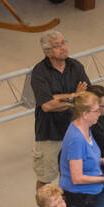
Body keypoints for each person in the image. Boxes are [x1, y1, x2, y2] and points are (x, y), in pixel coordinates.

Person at [30, 30, 90, 190]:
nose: (63, 47)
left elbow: (86, 96)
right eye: (57, 45)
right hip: (49, 134)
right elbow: (47, 105)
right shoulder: (39, 73)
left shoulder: (75, 66)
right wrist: (74, 96)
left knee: (71, 173)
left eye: (64, 43)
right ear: (47, 52)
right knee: (45, 178)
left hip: (74, 130)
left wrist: (61, 98)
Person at [60, 91, 104, 207]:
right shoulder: (76, 139)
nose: (100, 113)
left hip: (91, 193)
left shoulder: (86, 128)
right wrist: (103, 178)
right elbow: (77, 178)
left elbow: (84, 157)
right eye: (96, 111)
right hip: (80, 197)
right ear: (85, 114)